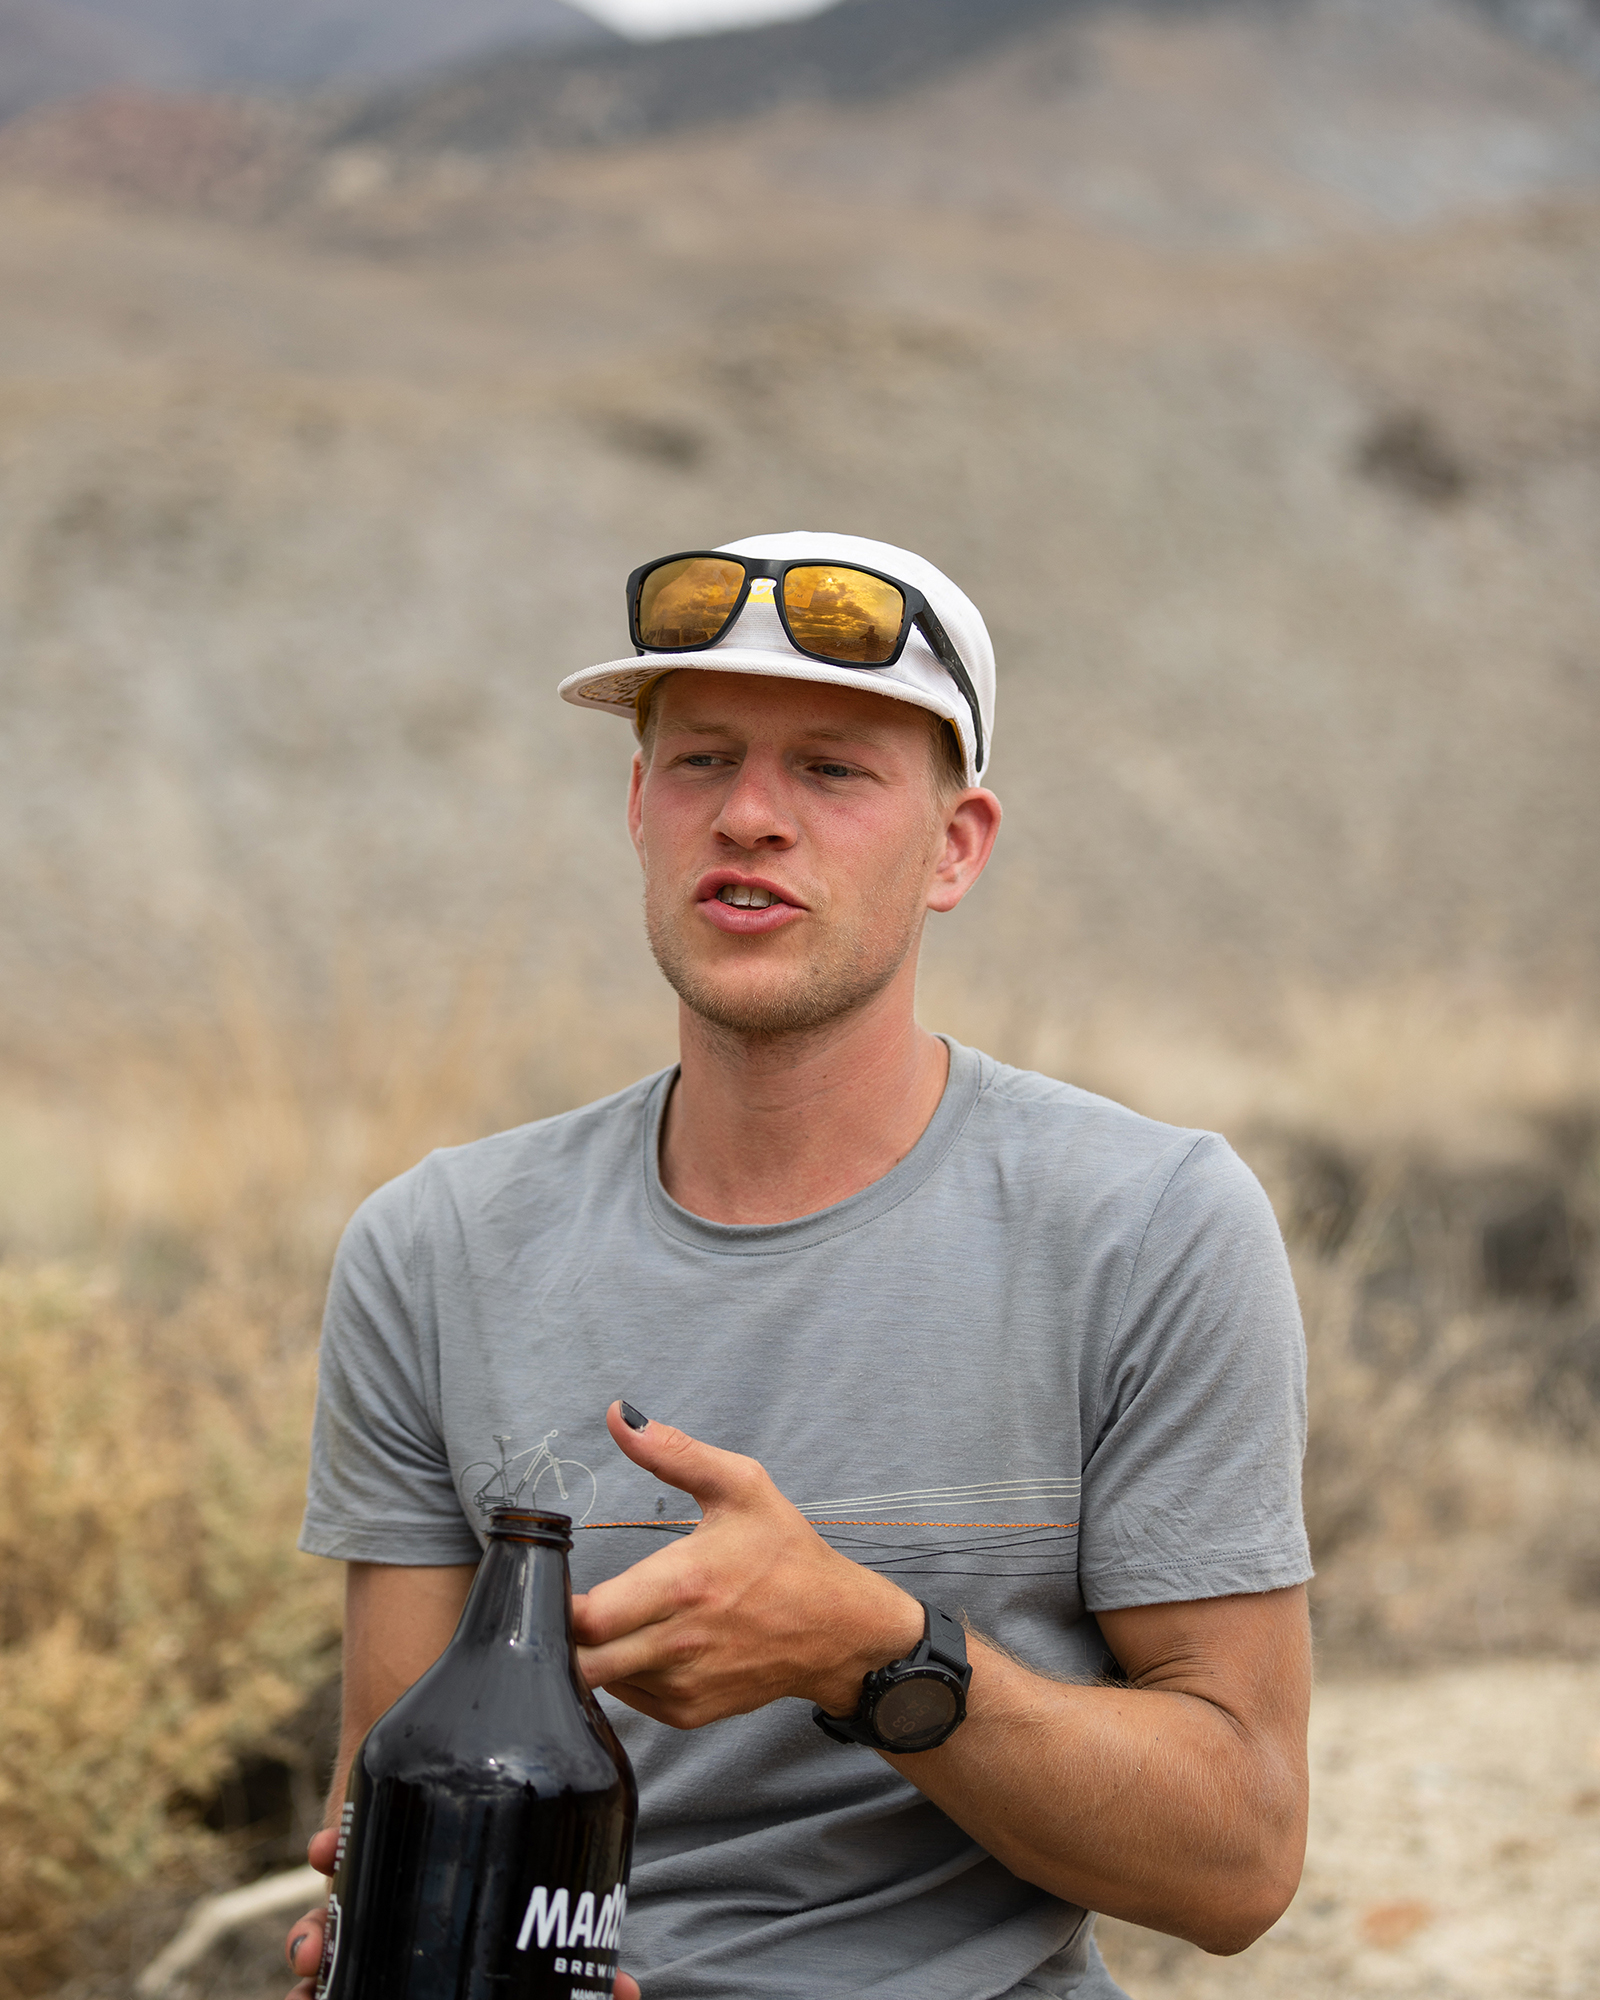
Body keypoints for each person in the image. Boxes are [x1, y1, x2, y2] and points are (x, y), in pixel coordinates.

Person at [283, 531, 1312, 2000]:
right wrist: (375, 1921)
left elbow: (1238, 1864)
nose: (750, 817)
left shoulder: (1149, 1224)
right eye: (701, 760)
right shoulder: (435, 1246)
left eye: (833, 770)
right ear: (639, 808)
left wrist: (870, 1652)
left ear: (955, 848)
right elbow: (396, 1789)